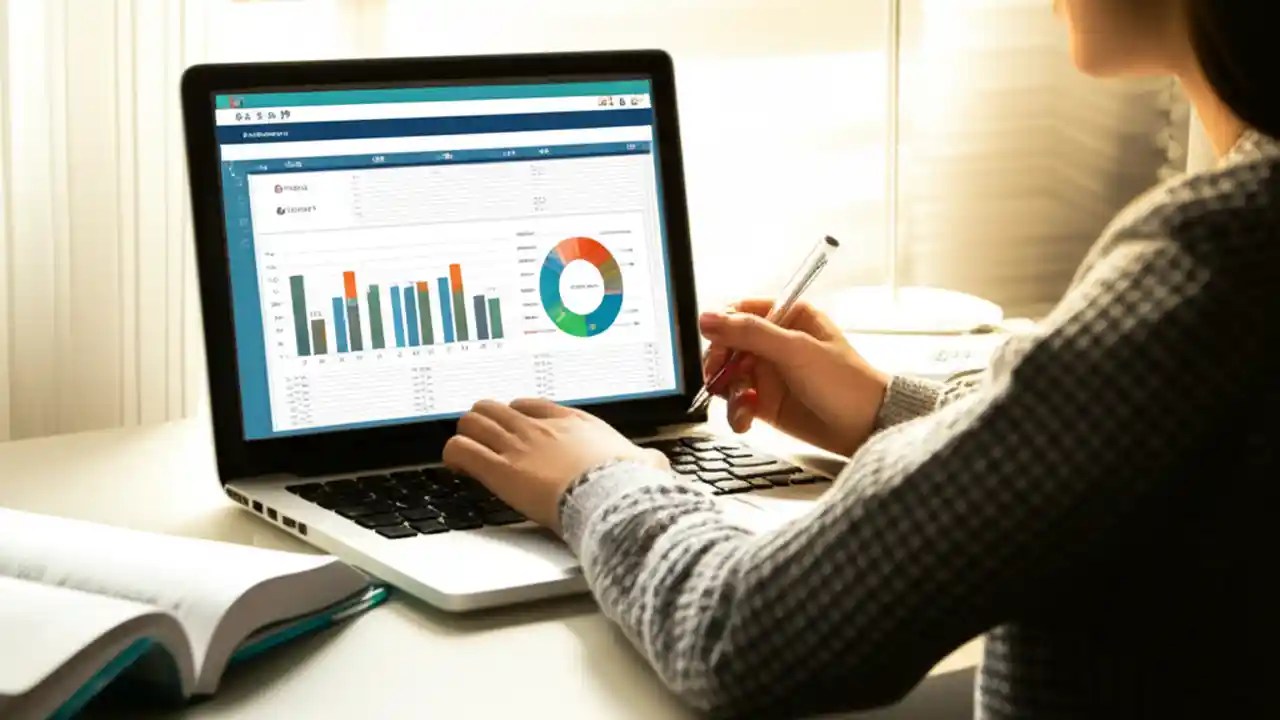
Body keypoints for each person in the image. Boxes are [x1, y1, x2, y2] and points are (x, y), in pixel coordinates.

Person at [443, 1, 1279, 717]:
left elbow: (743, 633)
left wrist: (596, 478)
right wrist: (885, 407)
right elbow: (1139, 453)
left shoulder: (1215, 260)